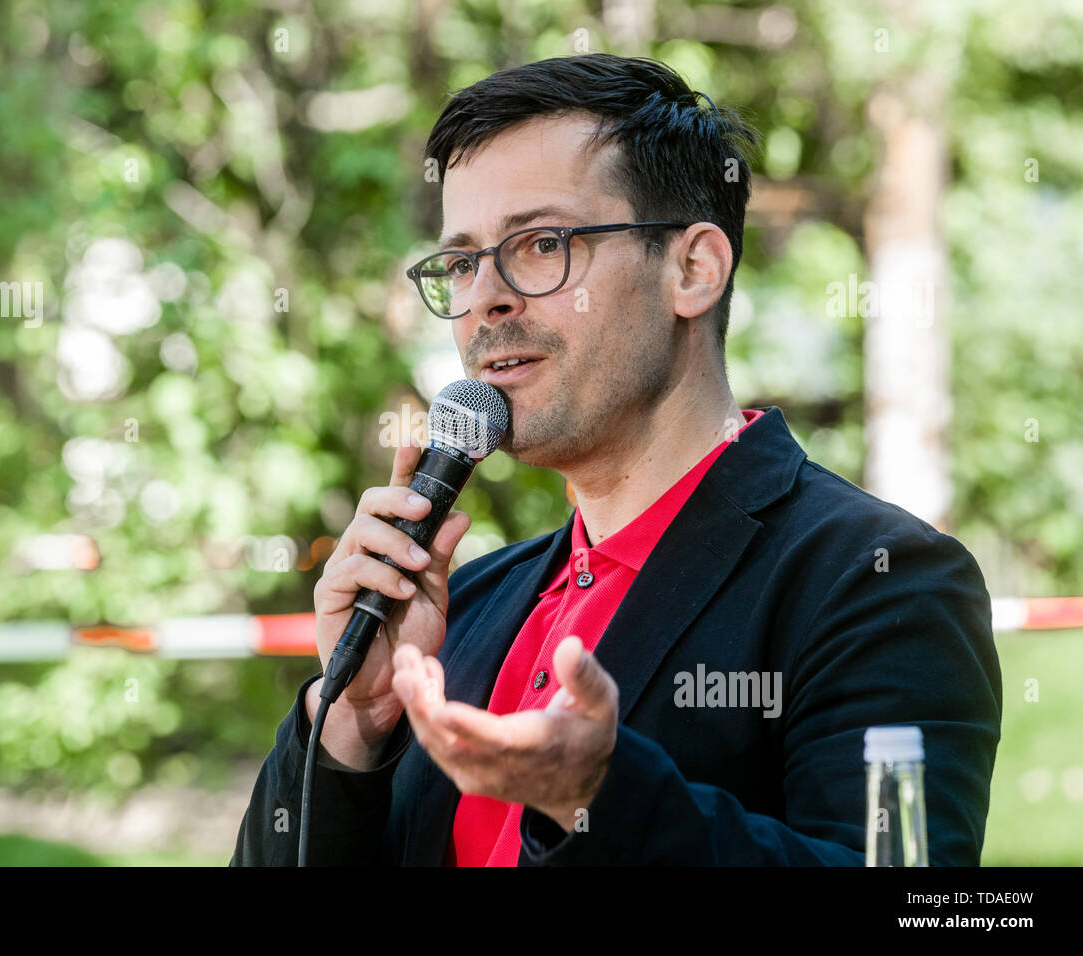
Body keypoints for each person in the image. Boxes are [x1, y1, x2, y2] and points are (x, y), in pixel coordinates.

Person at [230, 53, 1001, 866]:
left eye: (540, 244)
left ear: (693, 269)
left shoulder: (878, 581)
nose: (485, 299)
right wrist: (352, 721)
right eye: (462, 262)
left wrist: (600, 797)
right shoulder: (459, 608)